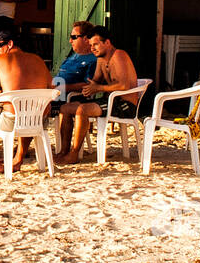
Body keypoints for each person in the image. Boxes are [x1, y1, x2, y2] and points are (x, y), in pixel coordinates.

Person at [54, 26, 138, 165]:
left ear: (107, 42)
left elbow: (124, 86)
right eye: (91, 45)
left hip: (125, 105)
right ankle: (64, 152)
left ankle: (74, 154)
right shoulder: (100, 59)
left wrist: (98, 88)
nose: (93, 48)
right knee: (65, 108)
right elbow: (95, 81)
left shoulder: (119, 55)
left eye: (96, 44)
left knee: (82, 110)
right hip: (108, 102)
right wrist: (88, 87)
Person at [0, 29, 52, 173]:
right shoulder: (38, 60)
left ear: (10, 44)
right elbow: (51, 87)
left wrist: (3, 98)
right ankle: (18, 159)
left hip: (10, 122)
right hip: (39, 120)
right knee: (27, 111)